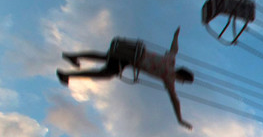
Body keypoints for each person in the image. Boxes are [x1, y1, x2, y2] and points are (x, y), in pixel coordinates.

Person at [57, 29, 194, 129]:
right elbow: (174, 99)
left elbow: (174, 49)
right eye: (183, 82)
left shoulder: (170, 60)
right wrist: (180, 119)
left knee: (104, 58)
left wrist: (176, 35)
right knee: (104, 73)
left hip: (132, 52)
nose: (181, 83)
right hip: (129, 59)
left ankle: (72, 57)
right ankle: (67, 74)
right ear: (182, 78)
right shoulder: (169, 78)